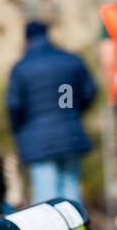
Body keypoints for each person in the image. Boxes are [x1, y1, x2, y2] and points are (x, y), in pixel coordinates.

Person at [6, 20, 96, 204]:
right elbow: (89, 92)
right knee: (71, 188)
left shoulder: (22, 68)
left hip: (38, 138)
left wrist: (19, 130)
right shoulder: (71, 61)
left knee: (46, 191)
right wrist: (72, 112)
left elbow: (14, 105)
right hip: (69, 133)